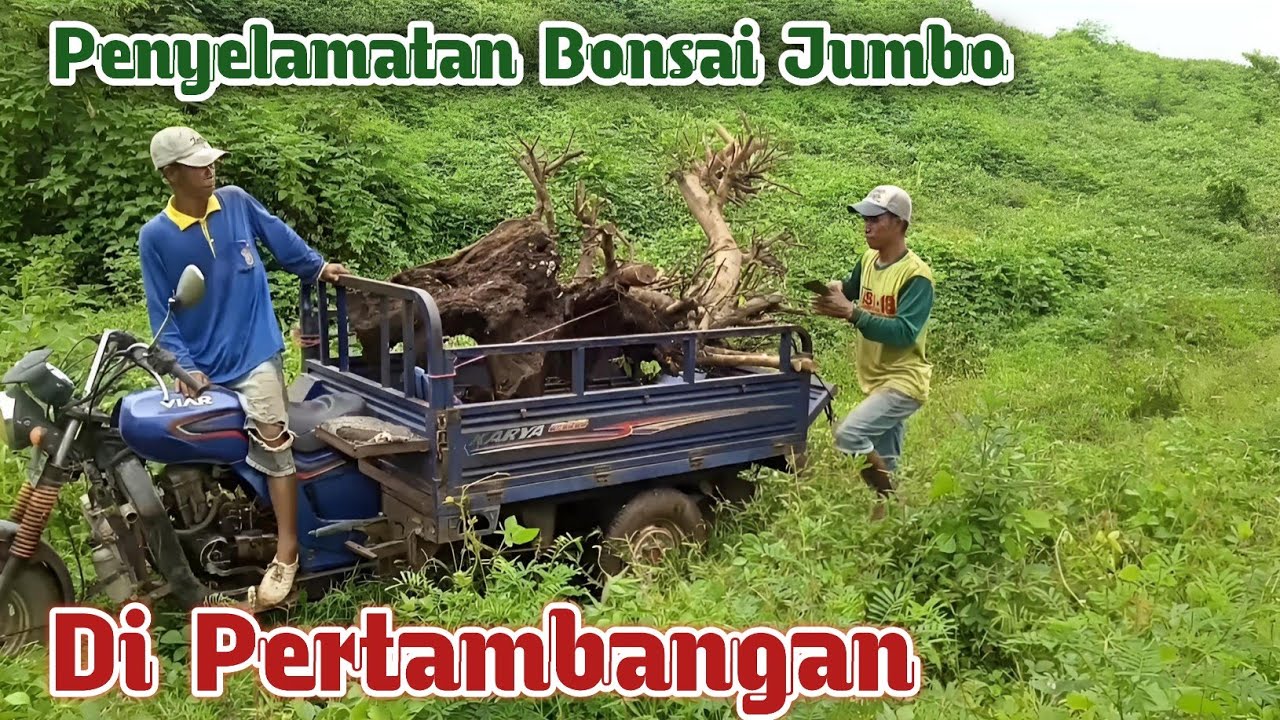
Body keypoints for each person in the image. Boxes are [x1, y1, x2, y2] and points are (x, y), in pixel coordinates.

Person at [138, 126, 350, 609]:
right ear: (170, 174)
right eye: (197, 165)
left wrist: (318, 268)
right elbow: (161, 312)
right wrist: (184, 367)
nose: (209, 169)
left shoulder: (235, 201)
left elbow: (280, 237)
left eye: (210, 161)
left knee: (272, 437)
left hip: (254, 351)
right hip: (203, 363)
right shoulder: (156, 237)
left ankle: (288, 550)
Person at [812, 185, 935, 520]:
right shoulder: (867, 260)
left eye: (875, 219)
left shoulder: (917, 276)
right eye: (864, 219)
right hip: (876, 378)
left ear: (899, 224)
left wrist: (851, 313)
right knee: (889, 462)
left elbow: (904, 333)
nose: (866, 226)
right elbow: (851, 291)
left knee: (849, 436)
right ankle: (891, 527)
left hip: (903, 381)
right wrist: (834, 294)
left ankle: (894, 503)